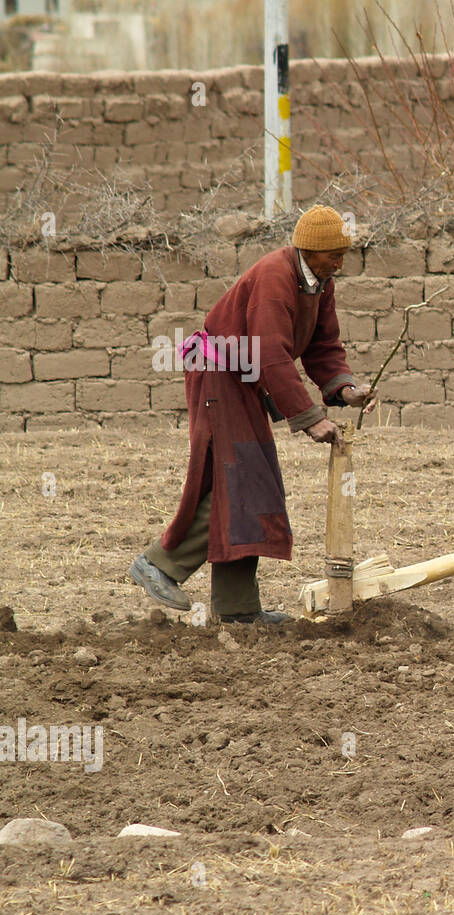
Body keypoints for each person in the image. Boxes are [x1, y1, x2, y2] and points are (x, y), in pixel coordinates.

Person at [129, 204, 375, 624]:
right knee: (240, 480)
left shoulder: (319, 283)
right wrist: (310, 418)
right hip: (219, 375)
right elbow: (269, 353)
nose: (339, 263)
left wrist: (345, 390)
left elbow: (323, 346)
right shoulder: (276, 277)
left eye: (342, 255)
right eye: (333, 255)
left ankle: (237, 610)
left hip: (244, 378)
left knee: (248, 484)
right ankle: (159, 564)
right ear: (309, 250)